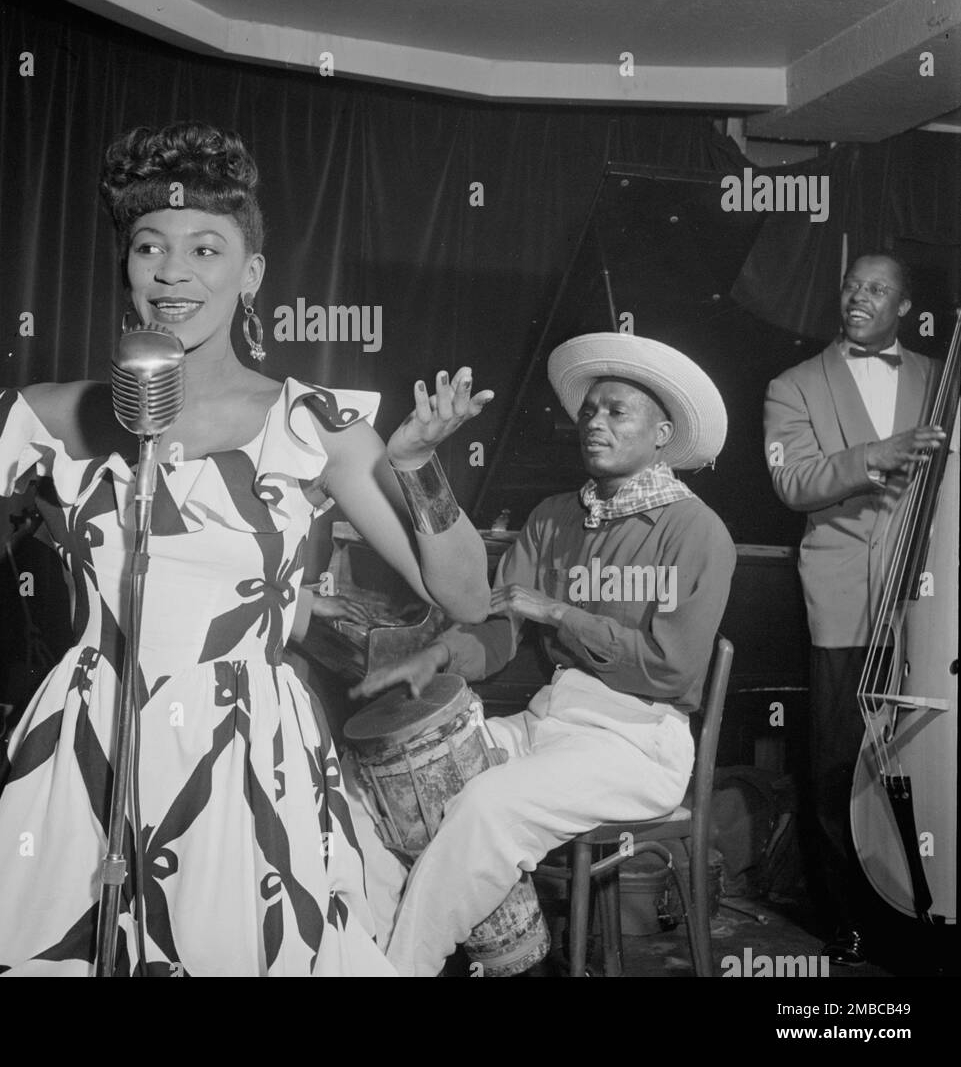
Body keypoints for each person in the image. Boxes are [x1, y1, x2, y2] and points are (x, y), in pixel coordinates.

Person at [0, 122, 493, 977]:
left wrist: (415, 468)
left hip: (241, 745)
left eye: (205, 248)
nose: (172, 269)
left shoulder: (314, 425)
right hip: (85, 735)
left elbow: (465, 597)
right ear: (126, 267)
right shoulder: (55, 414)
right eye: (149, 245)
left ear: (252, 274)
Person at [370, 332, 736, 977]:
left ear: (662, 433)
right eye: (590, 410)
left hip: (639, 743)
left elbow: (672, 668)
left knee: (488, 805)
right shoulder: (552, 516)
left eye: (617, 411)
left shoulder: (695, 528)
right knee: (402, 791)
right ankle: (355, 955)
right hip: (550, 722)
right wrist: (439, 658)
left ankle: (399, 970)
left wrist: (562, 612)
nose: (595, 422)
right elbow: (500, 625)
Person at [763, 253, 945, 966]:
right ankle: (848, 918)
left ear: (903, 306)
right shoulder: (792, 385)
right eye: (850, 286)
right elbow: (794, 480)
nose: (857, 299)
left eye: (876, 290)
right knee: (840, 764)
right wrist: (879, 454)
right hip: (842, 602)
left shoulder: (938, 377)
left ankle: (920, 905)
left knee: (927, 759)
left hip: (929, 604)